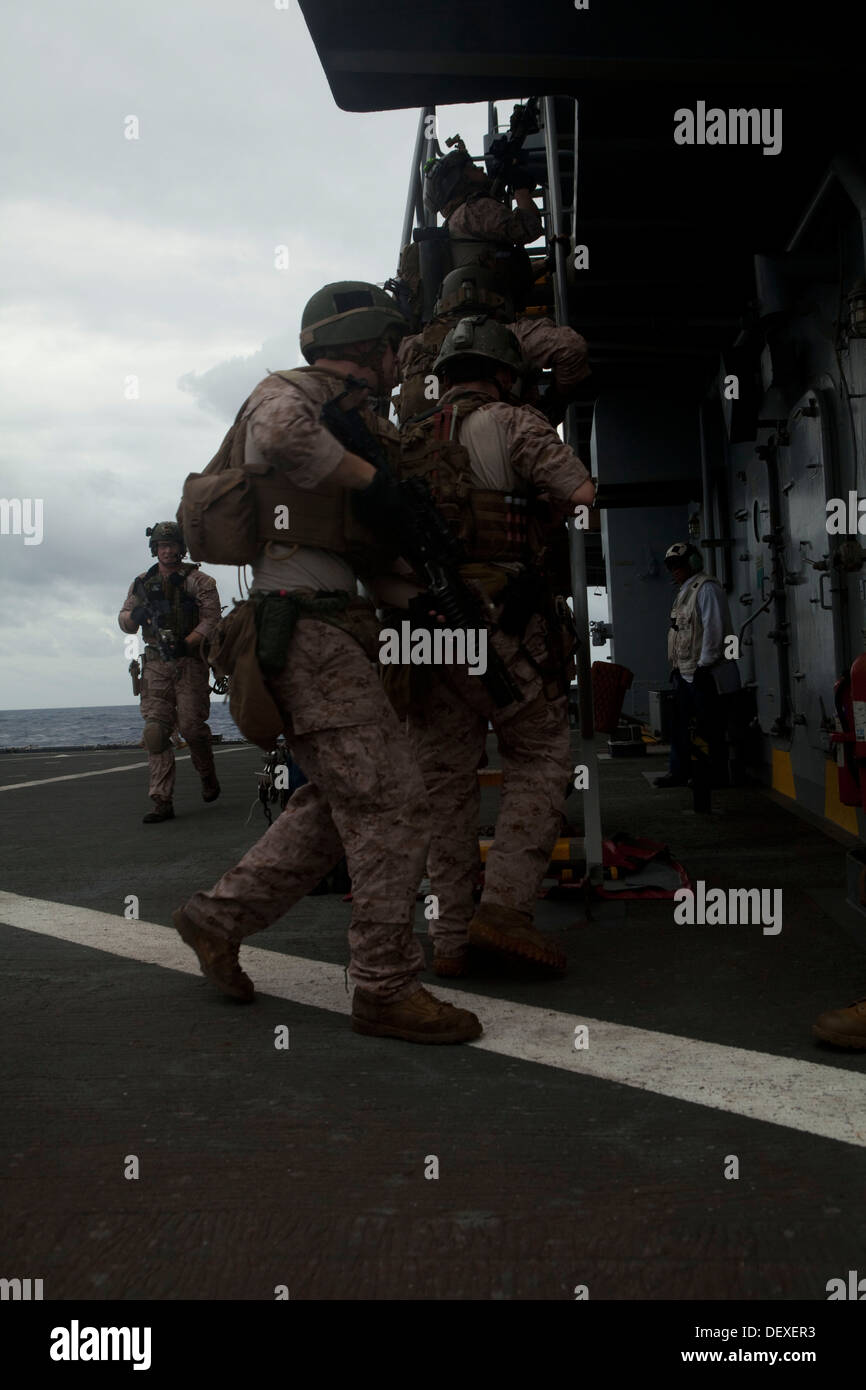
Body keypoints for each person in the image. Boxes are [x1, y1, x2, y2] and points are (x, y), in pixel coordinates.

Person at [172, 281, 482, 1045]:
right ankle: (382, 986)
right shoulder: (295, 393)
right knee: (391, 803)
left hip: (333, 628)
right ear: (371, 347)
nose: (393, 365)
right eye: (389, 352)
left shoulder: (351, 425)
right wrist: (377, 487)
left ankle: (218, 918)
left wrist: (426, 598)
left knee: (338, 804)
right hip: (302, 629)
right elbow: (280, 438)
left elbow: (354, 553)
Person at [379, 314, 597, 977]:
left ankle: (447, 943)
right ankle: (503, 908)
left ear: (442, 377)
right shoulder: (516, 423)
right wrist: (548, 513)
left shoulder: (407, 440)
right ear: (506, 374)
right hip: (507, 625)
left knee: (442, 787)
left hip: (425, 635)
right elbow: (584, 498)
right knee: (539, 756)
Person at [396, 264, 589, 426]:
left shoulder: (410, 347)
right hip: (501, 449)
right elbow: (570, 347)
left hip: (424, 459)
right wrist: (553, 405)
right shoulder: (511, 335)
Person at [118, 521, 221, 822]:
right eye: (162, 546)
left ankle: (207, 775)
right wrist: (133, 616)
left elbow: (212, 619)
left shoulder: (200, 581)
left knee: (191, 728)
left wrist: (187, 643)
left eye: (173, 545)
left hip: (189, 662)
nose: (167, 551)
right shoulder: (141, 582)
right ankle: (161, 800)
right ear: (155, 549)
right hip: (154, 666)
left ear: (181, 548)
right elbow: (124, 620)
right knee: (155, 732)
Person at [653, 541, 740, 801]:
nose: (674, 571)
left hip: (706, 673)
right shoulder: (684, 592)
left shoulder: (707, 589)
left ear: (692, 564)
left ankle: (718, 774)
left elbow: (713, 629)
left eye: (678, 565)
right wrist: (678, 668)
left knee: (712, 727)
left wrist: (704, 665)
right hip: (686, 673)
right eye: (671, 567)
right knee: (677, 725)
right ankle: (678, 771)